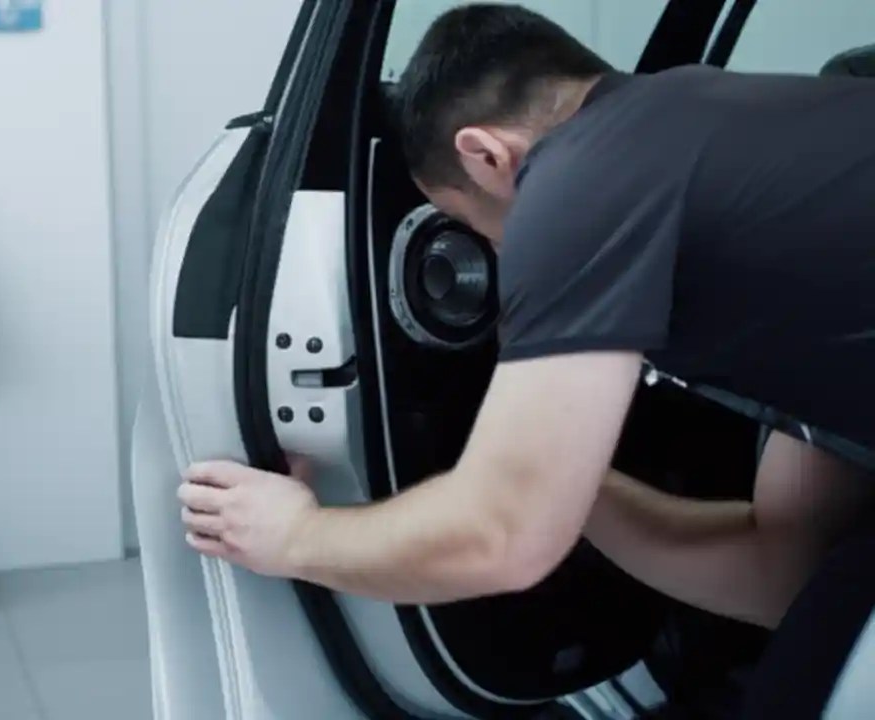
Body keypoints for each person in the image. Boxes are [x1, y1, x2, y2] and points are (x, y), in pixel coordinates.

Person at [177, 3, 875, 715]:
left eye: (479, 224)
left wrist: (293, 536)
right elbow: (783, 574)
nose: (507, 255)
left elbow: (503, 540)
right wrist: (567, 481)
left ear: (486, 155)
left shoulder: (579, 178)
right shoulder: (730, 141)